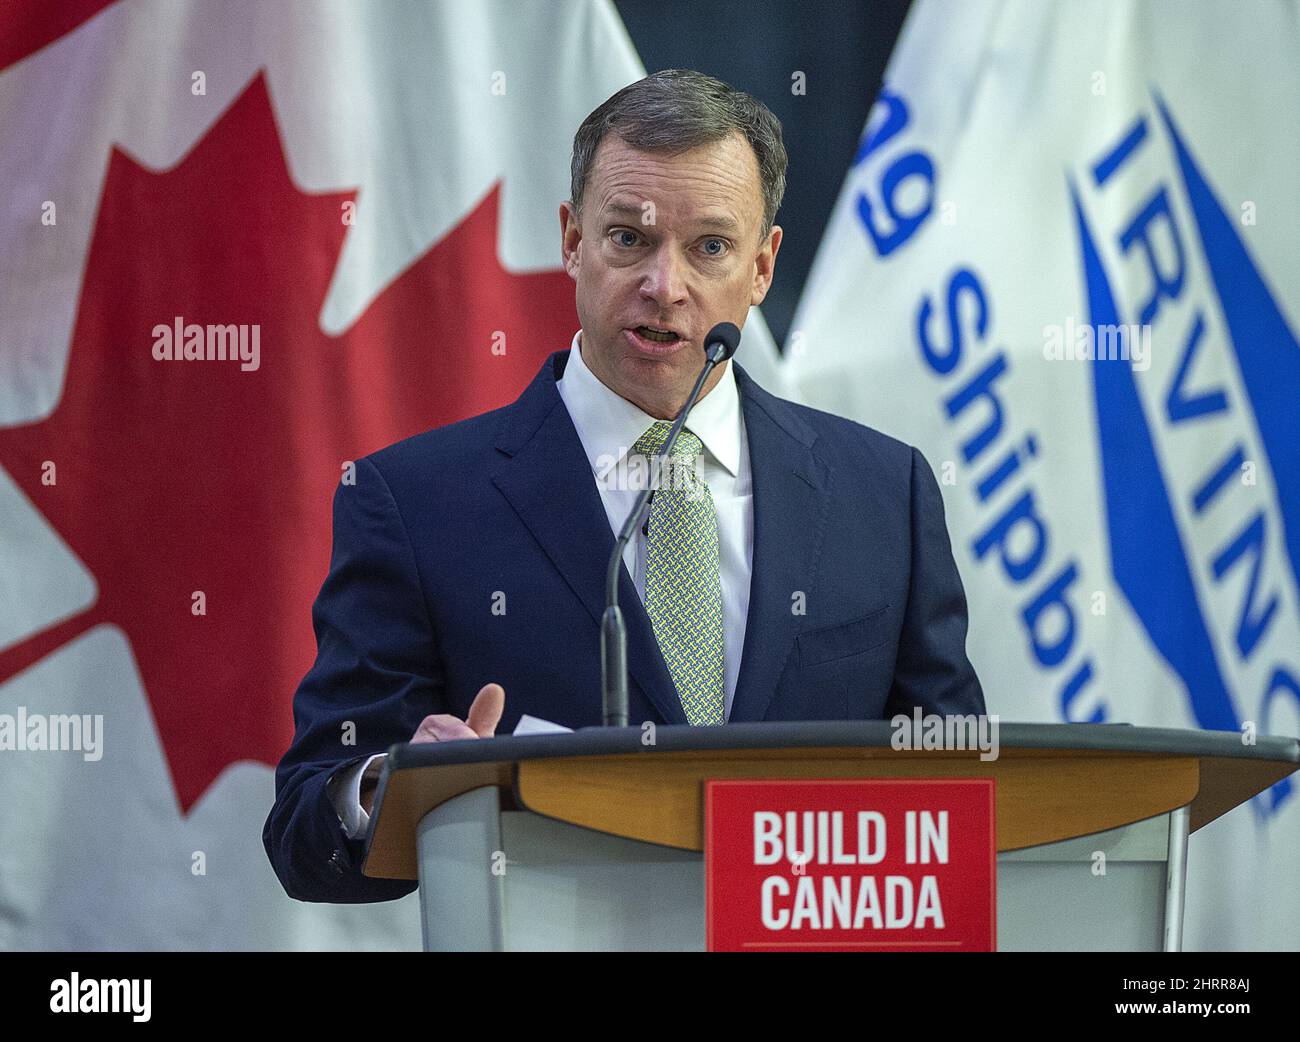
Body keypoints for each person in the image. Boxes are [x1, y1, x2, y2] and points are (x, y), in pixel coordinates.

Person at [264, 69, 984, 904]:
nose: (665, 286)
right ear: (572, 241)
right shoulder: (416, 504)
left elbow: (959, 785)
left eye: (710, 247)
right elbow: (302, 833)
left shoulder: (882, 492)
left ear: (762, 265)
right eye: (628, 239)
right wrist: (393, 787)